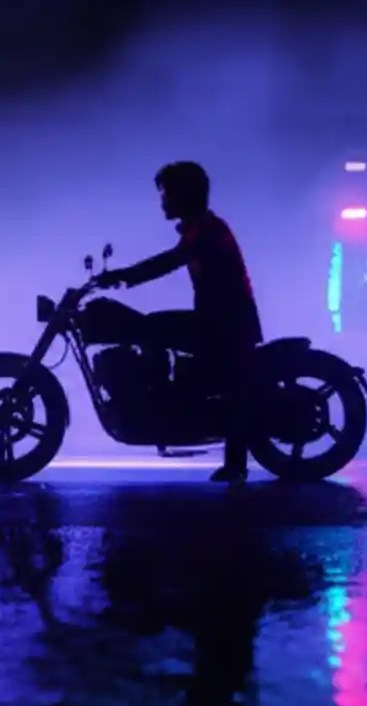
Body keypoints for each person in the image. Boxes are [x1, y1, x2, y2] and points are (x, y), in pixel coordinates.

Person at [97, 161, 263, 483]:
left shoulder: (206, 232)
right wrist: (121, 277)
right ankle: (159, 399)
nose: (163, 201)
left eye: (166, 193)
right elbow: (172, 259)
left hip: (226, 325)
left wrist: (122, 277)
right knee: (150, 327)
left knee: (151, 328)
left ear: (184, 194)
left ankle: (167, 413)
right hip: (220, 320)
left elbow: (167, 262)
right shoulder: (199, 229)